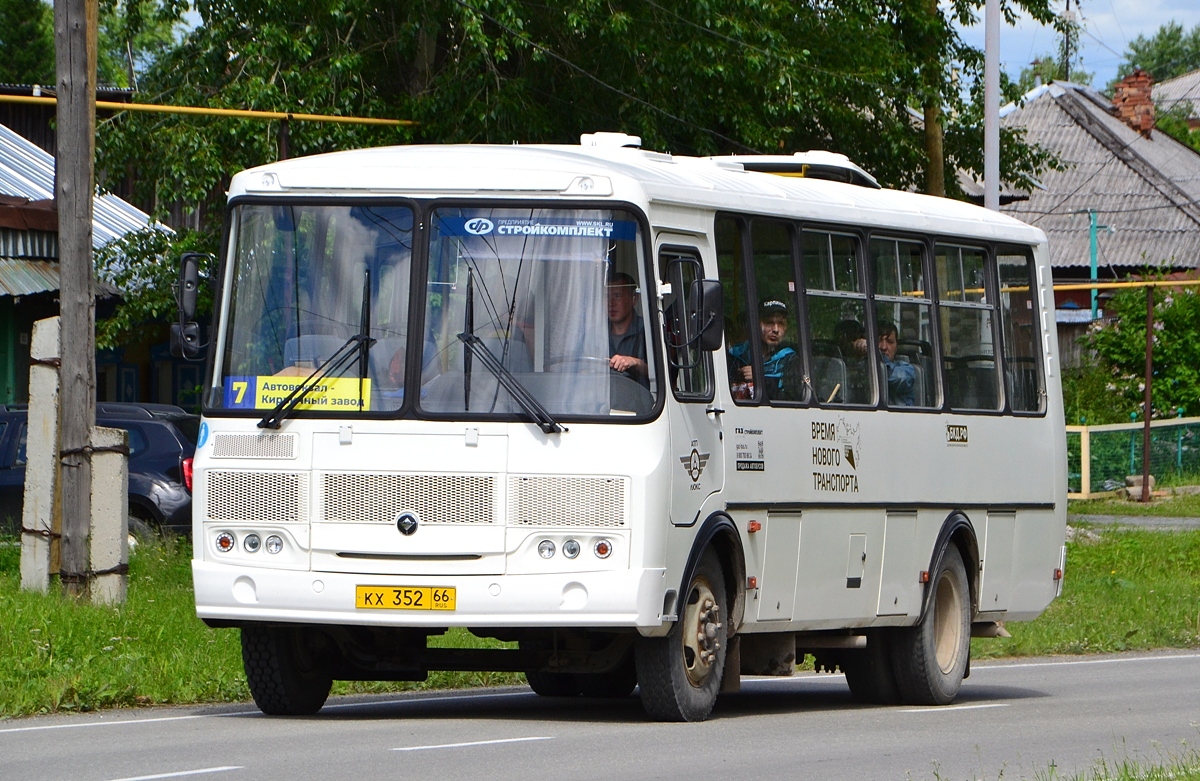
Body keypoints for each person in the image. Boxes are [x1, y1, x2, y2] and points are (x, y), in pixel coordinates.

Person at [728, 299, 801, 401]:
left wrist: (760, 379)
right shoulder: (735, 355)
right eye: (769, 323)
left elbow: (793, 401)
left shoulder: (791, 361)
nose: (776, 329)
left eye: (781, 323)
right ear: (756, 324)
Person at [607, 272, 649, 387]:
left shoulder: (648, 331)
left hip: (640, 401)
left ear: (634, 299)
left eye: (617, 296)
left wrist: (635, 362)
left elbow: (664, 375)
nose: (611, 303)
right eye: (607, 297)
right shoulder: (596, 332)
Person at [877, 321, 916, 406]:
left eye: (890, 342)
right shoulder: (863, 366)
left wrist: (876, 355)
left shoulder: (906, 369)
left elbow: (900, 378)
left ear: (896, 347)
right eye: (879, 341)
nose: (883, 347)